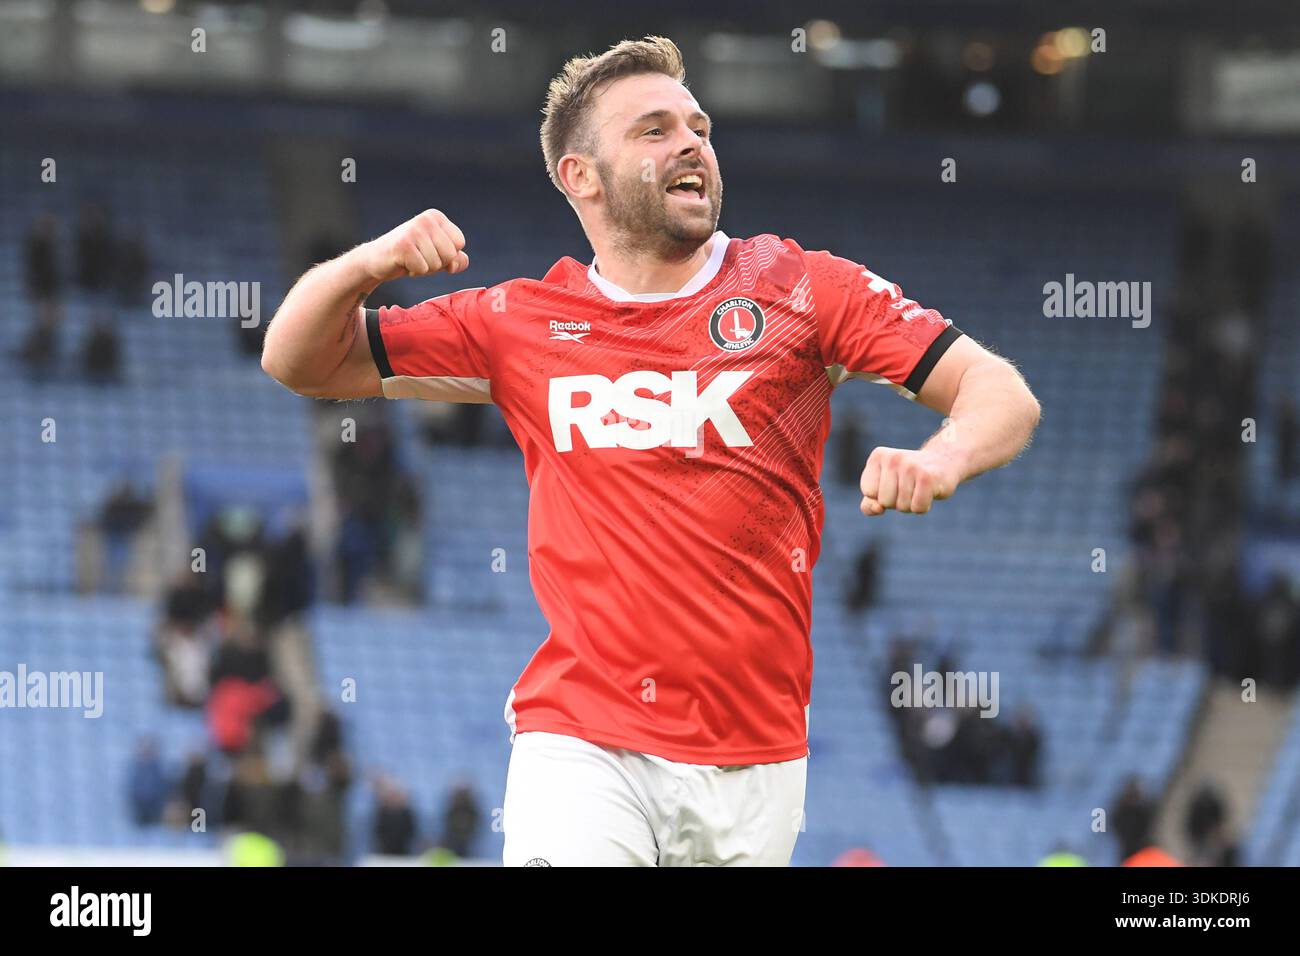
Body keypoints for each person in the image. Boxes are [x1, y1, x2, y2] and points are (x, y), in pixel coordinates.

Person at [260, 36, 1041, 866]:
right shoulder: (516, 324)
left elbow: (1001, 393)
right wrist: (367, 263)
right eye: (654, 129)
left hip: (758, 760)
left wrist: (942, 458)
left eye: (698, 126)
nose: (692, 143)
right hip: (583, 741)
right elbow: (298, 358)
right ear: (581, 176)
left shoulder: (802, 290)